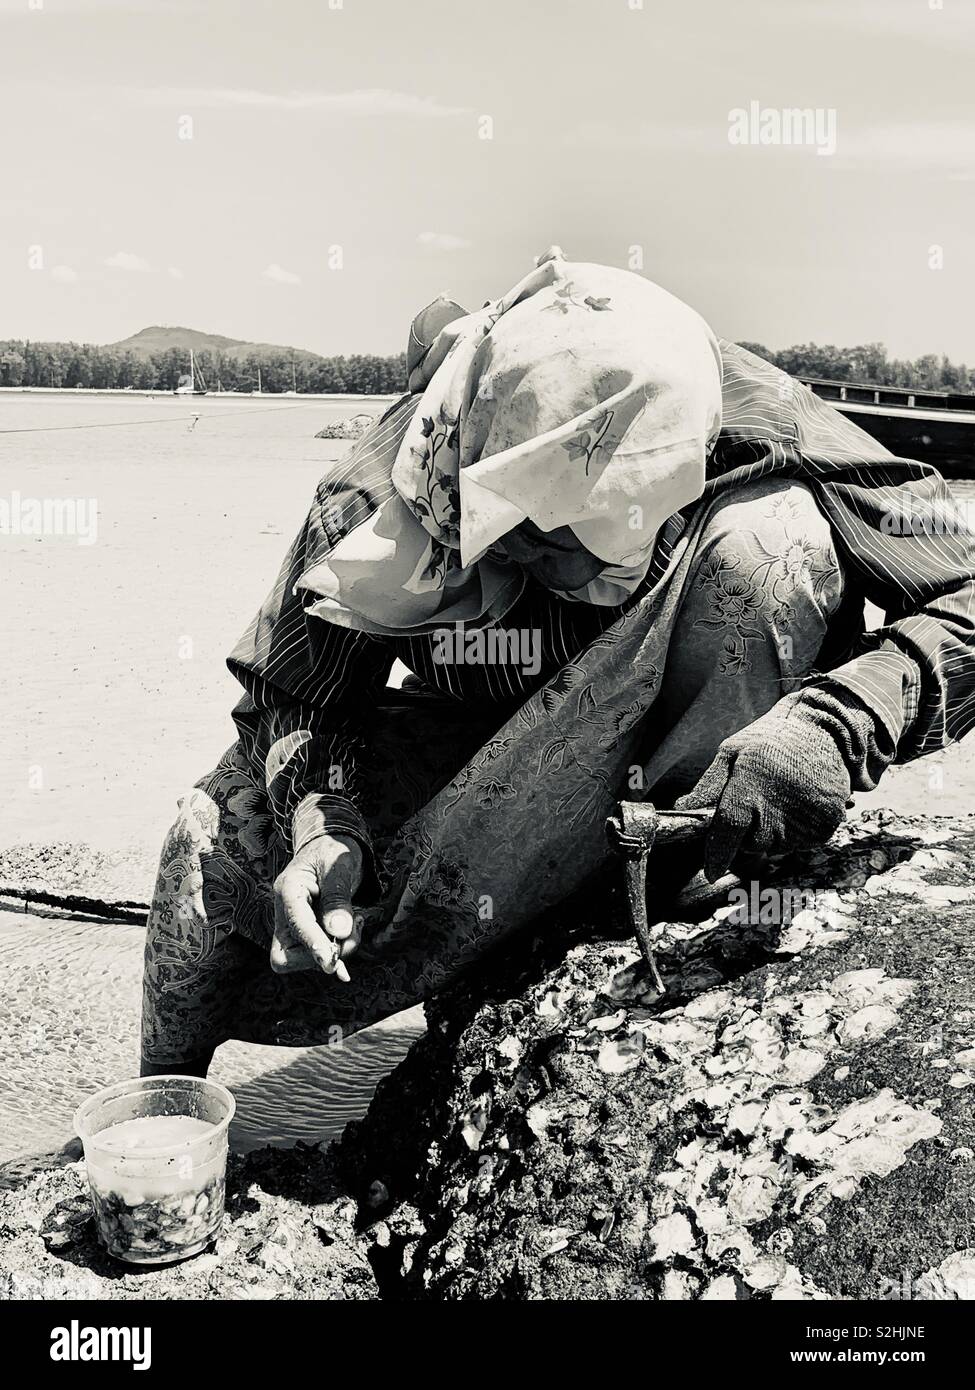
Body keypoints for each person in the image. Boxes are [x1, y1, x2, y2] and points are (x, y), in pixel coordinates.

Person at [140, 250, 975, 1077]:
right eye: (508, 542)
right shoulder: (381, 482)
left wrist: (837, 722)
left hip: (688, 788)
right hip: (495, 776)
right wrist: (326, 823)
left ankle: (700, 866)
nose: (534, 568)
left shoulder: (764, 413)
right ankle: (158, 1119)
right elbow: (293, 695)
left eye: (557, 545)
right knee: (207, 841)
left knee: (773, 539)